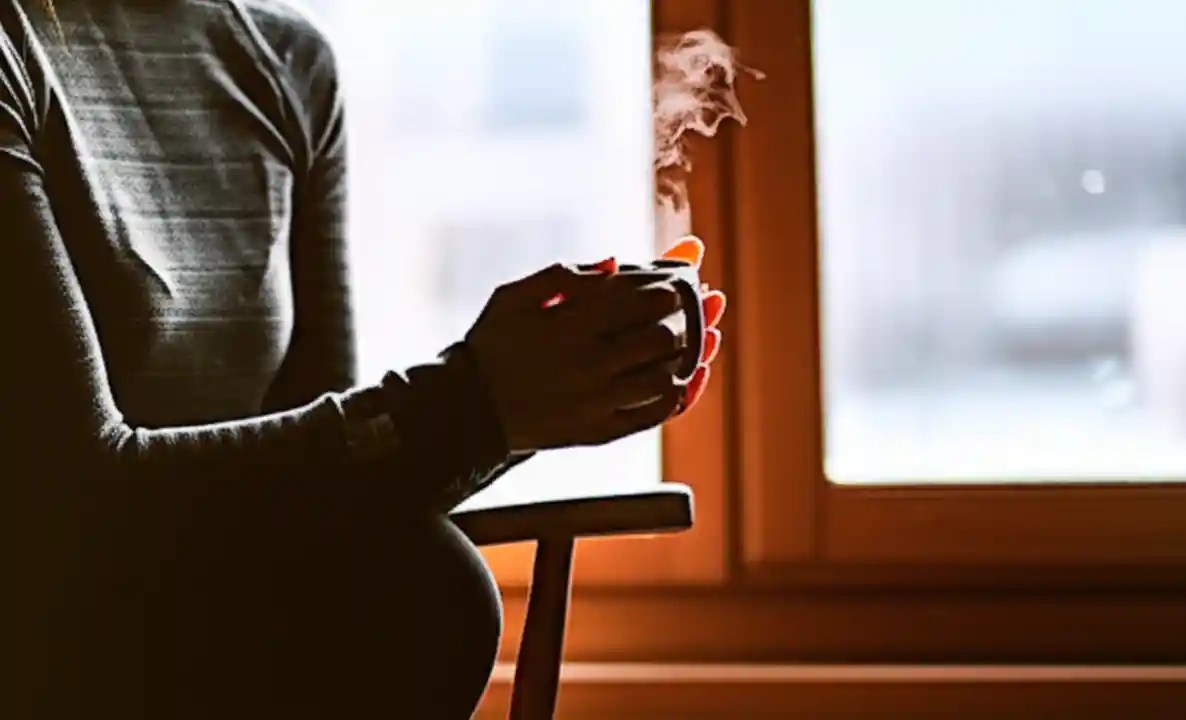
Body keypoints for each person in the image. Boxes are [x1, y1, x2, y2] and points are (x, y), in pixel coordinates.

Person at [2, 0, 725, 716]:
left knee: (411, 579)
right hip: (58, 652)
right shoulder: (17, 47)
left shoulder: (288, 61)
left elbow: (335, 491)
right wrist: (480, 404)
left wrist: (545, 397)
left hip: (221, 644)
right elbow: (75, 506)